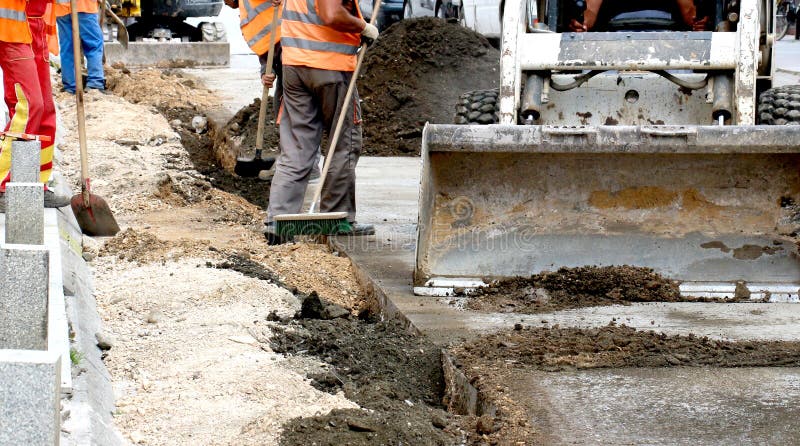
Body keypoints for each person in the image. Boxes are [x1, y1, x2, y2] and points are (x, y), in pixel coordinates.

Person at [263, 0, 379, 243]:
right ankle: (337, 218)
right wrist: (362, 27)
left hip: (295, 66)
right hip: (330, 68)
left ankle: (278, 221)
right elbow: (331, 13)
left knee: (296, 147)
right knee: (343, 143)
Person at [0, 0, 68, 207]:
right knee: (28, 105)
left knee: (46, 110)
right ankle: (4, 184)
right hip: (11, 29)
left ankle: (37, 183)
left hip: (35, 27)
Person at [54, 0, 107, 94]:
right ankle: (95, 83)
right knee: (93, 45)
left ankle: (70, 86)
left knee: (67, 49)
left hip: (61, 9)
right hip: (84, 6)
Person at [569, 0, 708, 32]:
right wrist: (582, 25)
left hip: (667, 41)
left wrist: (698, 21)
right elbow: (590, 13)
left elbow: (689, 13)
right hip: (614, 42)